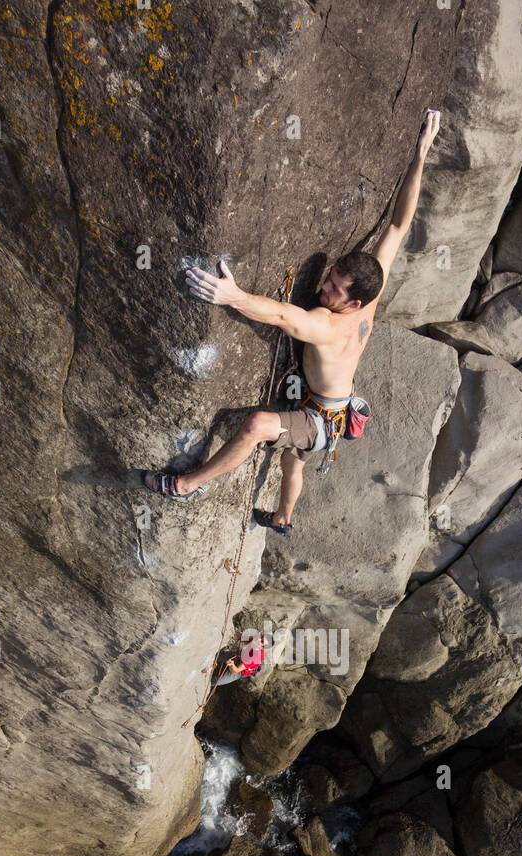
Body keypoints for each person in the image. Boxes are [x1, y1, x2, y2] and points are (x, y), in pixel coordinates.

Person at [144, 109, 443, 536]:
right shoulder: (369, 291)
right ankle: (283, 519)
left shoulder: (327, 324)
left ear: (353, 301)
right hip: (329, 409)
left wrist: (234, 297)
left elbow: (284, 315)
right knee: (292, 458)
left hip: (321, 418)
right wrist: (421, 154)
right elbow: (399, 222)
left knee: (258, 427)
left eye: (335, 290)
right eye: (330, 278)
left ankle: (187, 485)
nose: (324, 288)